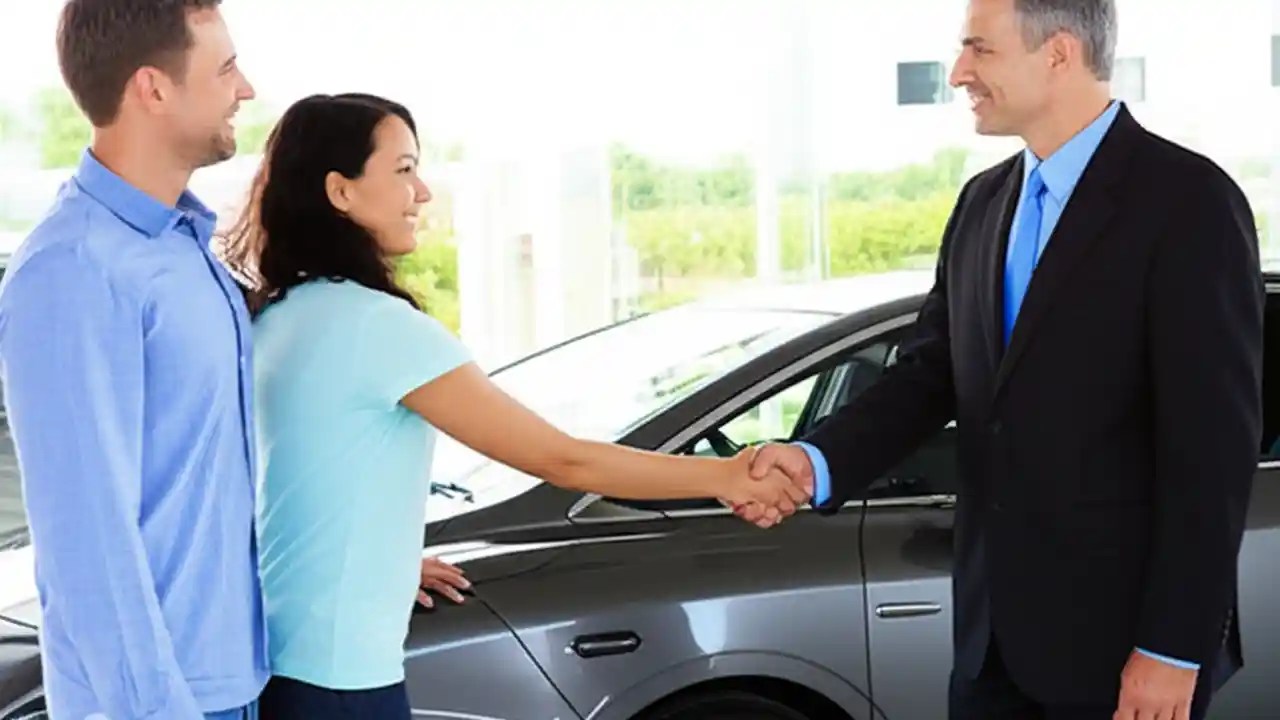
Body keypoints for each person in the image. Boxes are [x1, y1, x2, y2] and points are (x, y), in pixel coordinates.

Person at [741, 0, 1265, 718]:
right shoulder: (983, 204)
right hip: (990, 647)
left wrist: (1175, 649)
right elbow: (929, 376)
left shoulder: (1188, 203)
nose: (959, 73)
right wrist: (815, 461)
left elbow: (1211, 455)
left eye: (979, 51)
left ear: (1057, 53)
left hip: (1123, 656)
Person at [215, 92, 807, 720]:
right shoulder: (376, 327)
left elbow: (299, 485)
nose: (423, 193)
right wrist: (725, 475)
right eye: (404, 169)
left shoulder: (279, 315)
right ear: (341, 192)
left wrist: (381, 560)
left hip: (282, 660)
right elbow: (563, 461)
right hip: (341, 680)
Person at [0, 2, 265, 719]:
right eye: (226, 68)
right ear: (153, 89)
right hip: (157, 704)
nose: (246, 89)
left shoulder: (183, 246)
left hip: (232, 684)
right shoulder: (73, 269)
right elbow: (86, 543)